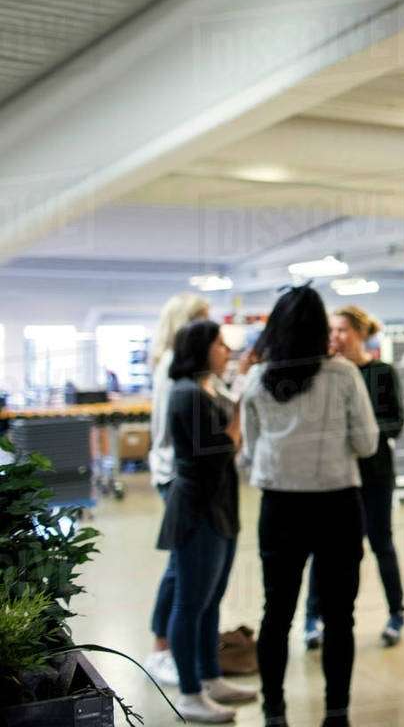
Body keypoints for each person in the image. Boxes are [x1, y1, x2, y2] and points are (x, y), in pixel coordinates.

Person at [241, 284, 380, 727]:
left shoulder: (256, 379)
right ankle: (336, 714)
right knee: (341, 616)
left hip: (279, 508)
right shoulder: (342, 375)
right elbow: (366, 443)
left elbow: (249, 455)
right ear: (322, 328)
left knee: (276, 613)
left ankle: (274, 711)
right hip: (337, 506)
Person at [157, 320, 258, 723]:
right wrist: (242, 402)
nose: (225, 350)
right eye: (218, 344)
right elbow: (222, 448)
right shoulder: (186, 395)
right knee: (191, 602)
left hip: (220, 508)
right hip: (198, 512)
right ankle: (189, 692)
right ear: (199, 348)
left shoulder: (206, 389)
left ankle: (210, 677)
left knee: (210, 600)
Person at [303, 306, 404, 650]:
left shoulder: (381, 372)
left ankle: (396, 613)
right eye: (331, 331)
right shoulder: (327, 373)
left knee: (381, 543)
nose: (335, 337)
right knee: (325, 549)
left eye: (343, 330)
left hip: (374, 475)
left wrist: (363, 433)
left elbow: (396, 422)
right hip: (335, 476)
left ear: (361, 333)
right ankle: (312, 617)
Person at [145, 292, 212, 688]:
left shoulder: (181, 364)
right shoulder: (174, 365)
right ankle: (161, 647)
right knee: (178, 566)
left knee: (182, 565)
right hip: (176, 475)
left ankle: (174, 646)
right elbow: (175, 429)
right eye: (202, 319)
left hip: (178, 472)